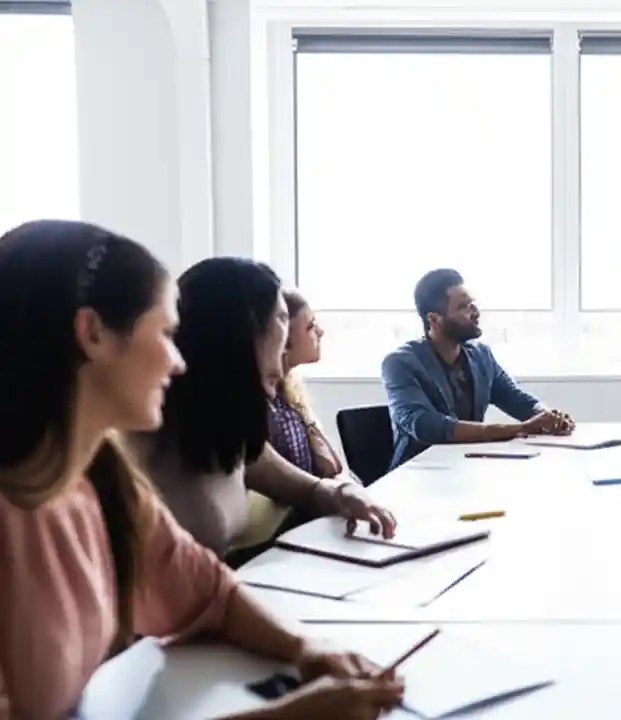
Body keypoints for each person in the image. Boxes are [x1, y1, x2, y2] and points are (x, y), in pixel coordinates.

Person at [0, 220, 403, 719]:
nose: (178, 362)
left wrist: (306, 649)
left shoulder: (101, 477)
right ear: (93, 333)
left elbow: (204, 591)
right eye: (166, 334)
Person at [131, 258, 398, 559]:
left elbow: (307, 490)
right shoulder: (141, 439)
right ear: (236, 342)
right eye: (282, 318)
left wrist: (345, 493)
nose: (275, 387)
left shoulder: (229, 432)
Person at [382, 268, 574, 469]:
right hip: (418, 472)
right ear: (434, 319)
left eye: (473, 304)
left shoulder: (481, 355)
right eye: (463, 307)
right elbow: (426, 426)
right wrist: (518, 429)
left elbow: (515, 398)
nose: (475, 313)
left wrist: (547, 416)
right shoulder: (399, 363)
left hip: (466, 467)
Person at [270, 289, 344, 479]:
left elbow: (332, 467)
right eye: (310, 326)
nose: (320, 331)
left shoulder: (291, 394)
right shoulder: (272, 411)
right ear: (283, 340)